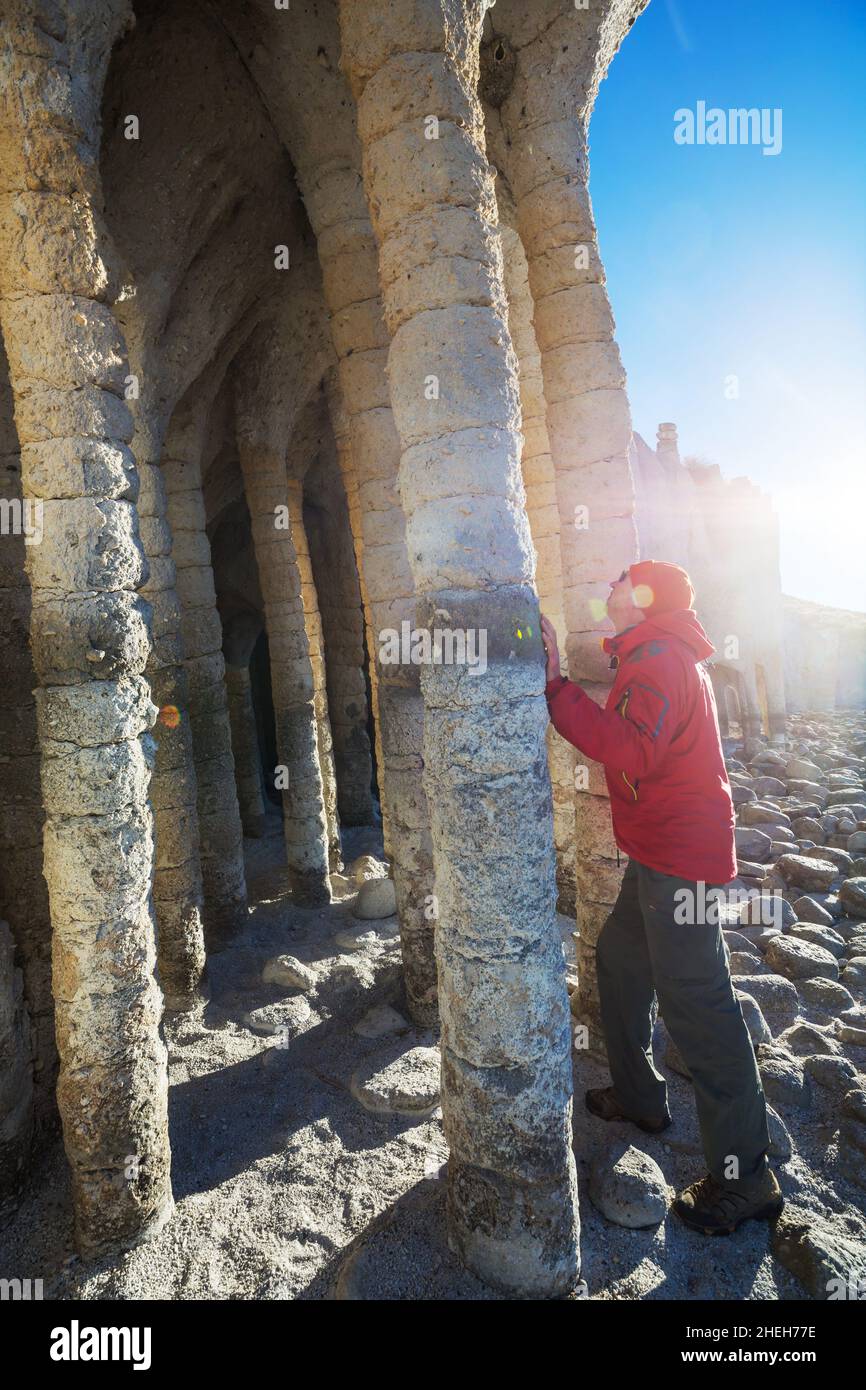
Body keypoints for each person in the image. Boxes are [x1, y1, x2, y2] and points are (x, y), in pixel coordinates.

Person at [540, 560, 783, 1235]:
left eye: (624, 579)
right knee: (620, 961)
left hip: (682, 863)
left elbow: (633, 751)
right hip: (663, 858)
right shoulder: (656, 653)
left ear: (643, 598)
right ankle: (642, 1097)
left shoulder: (658, 659)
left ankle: (746, 1176)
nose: (610, 585)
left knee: (699, 1005)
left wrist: (556, 686)